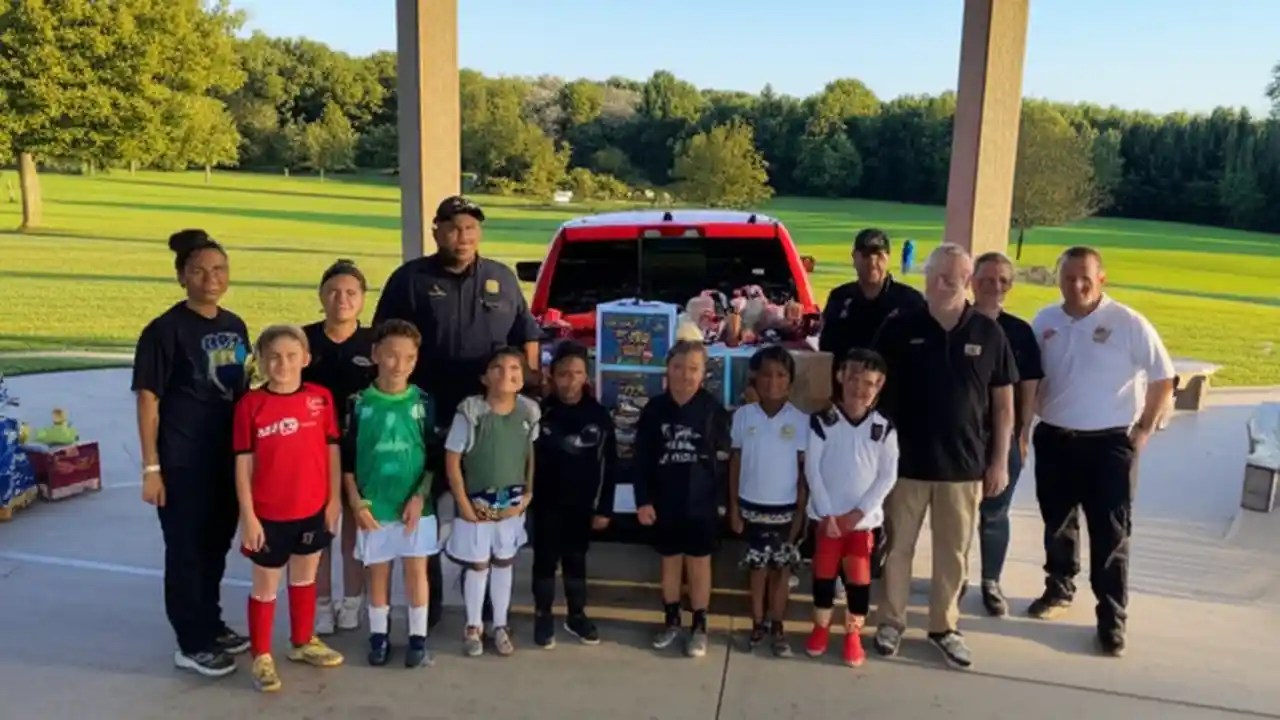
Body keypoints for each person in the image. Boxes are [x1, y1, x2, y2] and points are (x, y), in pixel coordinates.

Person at [373, 195, 542, 628]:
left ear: (478, 232)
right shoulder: (409, 280)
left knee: (484, 505)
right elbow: (385, 341)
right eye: (452, 228)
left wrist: (528, 385)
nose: (461, 236)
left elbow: (527, 337)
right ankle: (423, 606)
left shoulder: (501, 279)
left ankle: (481, 601)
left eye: (469, 228)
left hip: (488, 417)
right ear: (436, 231)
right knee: (424, 506)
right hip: (425, 413)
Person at [871, 243, 1016, 670]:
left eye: (951, 277)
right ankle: (891, 622)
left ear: (967, 282)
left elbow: (1004, 406)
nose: (940, 284)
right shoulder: (900, 327)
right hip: (905, 464)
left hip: (964, 467)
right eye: (935, 275)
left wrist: (1000, 461)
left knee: (953, 553)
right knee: (898, 548)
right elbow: (872, 390)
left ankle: (944, 627)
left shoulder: (989, 334)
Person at [1027, 246, 1174, 657]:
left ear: (1101, 278)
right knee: (1057, 521)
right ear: (1059, 279)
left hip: (1109, 444)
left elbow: (1165, 377)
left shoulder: (1128, 323)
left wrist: (1143, 429)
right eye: (1068, 277)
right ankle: (1058, 587)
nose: (1076, 285)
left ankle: (1111, 619)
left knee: (1110, 533)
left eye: (1084, 277)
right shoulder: (1046, 321)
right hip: (1055, 438)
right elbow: (1030, 378)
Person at [133, 229, 251, 677]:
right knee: (186, 550)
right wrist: (151, 468)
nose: (210, 278)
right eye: (199, 270)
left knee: (215, 546)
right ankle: (191, 641)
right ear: (182, 276)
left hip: (226, 459)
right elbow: (148, 400)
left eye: (219, 269)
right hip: (182, 461)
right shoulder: (164, 331)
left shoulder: (234, 324)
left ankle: (212, 623)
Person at [232, 326, 345, 693]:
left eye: (292, 356)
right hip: (268, 514)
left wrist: (334, 500)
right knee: (266, 585)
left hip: (312, 508)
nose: (283, 364)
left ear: (306, 359)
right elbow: (243, 463)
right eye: (274, 357)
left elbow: (331, 451)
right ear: (262, 362)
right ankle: (262, 655)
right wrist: (248, 515)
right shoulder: (250, 405)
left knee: (305, 575)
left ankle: (302, 641)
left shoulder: (320, 398)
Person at [817, 227, 924, 577]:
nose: (872, 260)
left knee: (883, 486)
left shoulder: (909, 301)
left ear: (888, 257)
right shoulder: (840, 297)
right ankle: (834, 558)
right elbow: (827, 353)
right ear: (854, 257)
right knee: (841, 480)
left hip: (891, 410)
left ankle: (874, 557)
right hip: (845, 410)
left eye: (879, 253)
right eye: (865, 253)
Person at [341, 320, 440, 668]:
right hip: (374, 507)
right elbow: (347, 461)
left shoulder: (424, 402)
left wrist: (419, 497)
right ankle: (379, 637)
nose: (399, 365)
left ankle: (417, 639)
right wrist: (355, 501)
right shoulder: (357, 403)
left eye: (408, 357)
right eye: (391, 356)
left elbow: (433, 458)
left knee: (416, 573)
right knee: (378, 574)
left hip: (415, 507)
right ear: (375, 355)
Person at [634, 340, 731, 659]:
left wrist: (720, 501)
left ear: (703, 373)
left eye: (693, 369)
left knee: (699, 565)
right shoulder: (654, 409)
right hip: (665, 501)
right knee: (670, 563)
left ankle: (699, 625)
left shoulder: (712, 410)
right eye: (678, 367)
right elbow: (642, 459)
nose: (684, 375)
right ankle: (672, 620)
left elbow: (722, 462)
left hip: (701, 503)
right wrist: (643, 500)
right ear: (667, 369)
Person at [803, 348, 899, 668]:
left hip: (861, 525)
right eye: (854, 379)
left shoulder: (884, 427)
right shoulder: (822, 421)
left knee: (858, 583)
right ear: (841, 376)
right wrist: (829, 514)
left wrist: (857, 514)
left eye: (869, 382)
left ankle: (853, 635)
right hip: (827, 521)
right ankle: (820, 628)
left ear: (880, 384)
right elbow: (812, 470)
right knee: (823, 578)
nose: (860, 388)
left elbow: (887, 475)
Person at [444, 347, 540, 658]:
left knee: (504, 561)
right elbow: (453, 461)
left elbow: (529, 456)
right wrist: (464, 504)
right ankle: (473, 625)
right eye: (497, 368)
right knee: (478, 564)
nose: (506, 374)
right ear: (484, 377)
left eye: (515, 368)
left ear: (522, 378)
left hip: (511, 505)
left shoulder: (528, 412)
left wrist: (527, 495)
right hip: (476, 506)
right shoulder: (471, 413)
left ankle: (500, 623)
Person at [965, 252, 1044, 616]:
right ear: (972, 281)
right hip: (960, 437)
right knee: (957, 514)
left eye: (1001, 280)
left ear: (1009, 286)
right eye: (985, 279)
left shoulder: (1019, 332)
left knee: (995, 512)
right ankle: (954, 579)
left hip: (1003, 436)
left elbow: (1028, 387)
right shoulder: (956, 322)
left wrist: (1022, 434)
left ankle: (991, 582)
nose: (993, 286)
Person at [303, 259, 377, 636]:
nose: (341, 299)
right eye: (333, 291)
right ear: (321, 296)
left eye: (351, 293)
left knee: (352, 529)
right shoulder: (302, 341)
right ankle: (320, 604)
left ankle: (352, 601)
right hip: (312, 452)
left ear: (363, 299)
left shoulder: (374, 344)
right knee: (319, 530)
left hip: (359, 450)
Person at [531, 341, 618, 649]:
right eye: (564, 373)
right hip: (544, 504)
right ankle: (543, 616)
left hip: (581, 506)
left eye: (577, 373)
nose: (570, 380)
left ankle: (576, 615)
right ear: (552, 375)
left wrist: (604, 508)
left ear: (586, 376)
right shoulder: (540, 413)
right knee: (544, 562)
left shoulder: (598, 415)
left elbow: (610, 465)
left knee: (575, 561)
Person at [727, 346, 808, 658]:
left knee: (781, 571)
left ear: (790, 381)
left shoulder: (800, 421)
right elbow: (735, 463)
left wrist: (800, 514)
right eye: (766, 375)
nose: (772, 381)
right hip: (751, 507)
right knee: (757, 569)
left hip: (785, 510)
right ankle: (757, 623)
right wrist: (733, 507)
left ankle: (778, 625)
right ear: (754, 379)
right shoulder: (744, 417)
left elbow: (802, 475)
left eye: (780, 375)